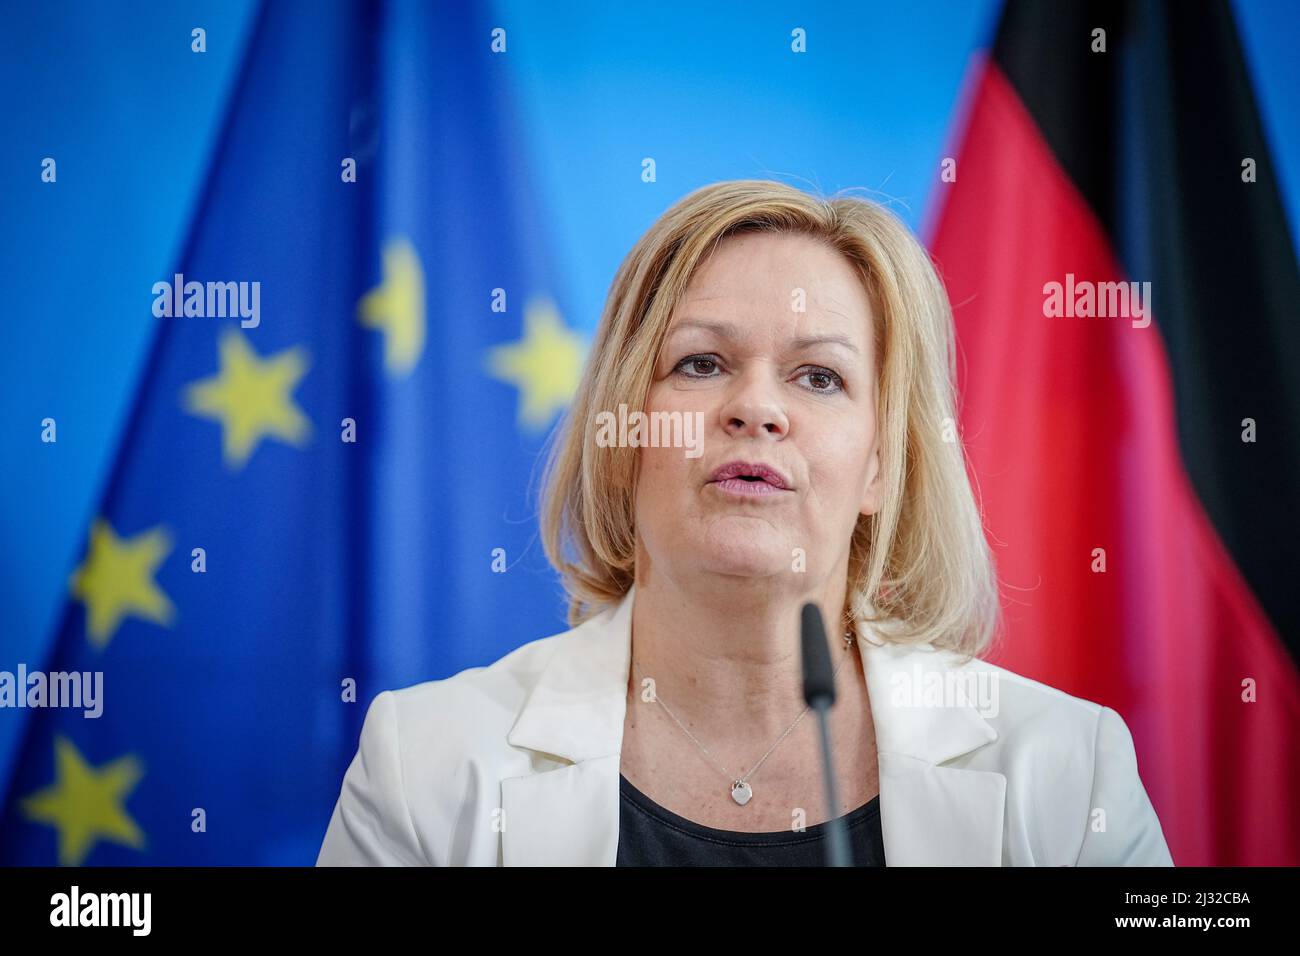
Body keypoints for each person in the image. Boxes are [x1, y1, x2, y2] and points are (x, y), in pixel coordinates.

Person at [316, 179, 1174, 866]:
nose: (756, 407)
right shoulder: (425, 764)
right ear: (626, 435)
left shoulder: (1065, 770)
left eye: (819, 377)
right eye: (702, 363)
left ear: (881, 465)